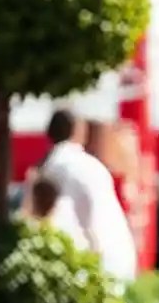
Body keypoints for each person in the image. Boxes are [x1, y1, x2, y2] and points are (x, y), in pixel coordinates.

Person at [37, 110, 138, 281]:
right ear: (79, 131)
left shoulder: (57, 165)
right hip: (116, 252)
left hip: (91, 257)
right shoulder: (88, 164)